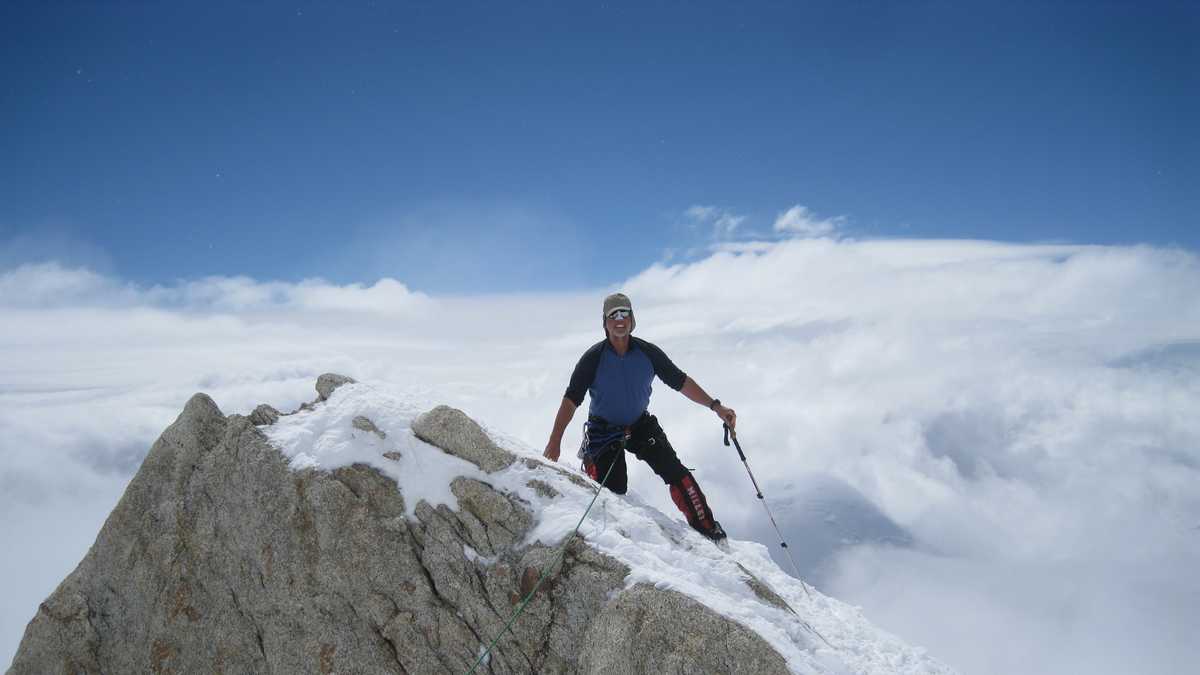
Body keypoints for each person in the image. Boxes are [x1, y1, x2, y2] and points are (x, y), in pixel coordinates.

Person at [543, 292, 736, 541]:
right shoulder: (593, 358)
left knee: (675, 472)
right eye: (613, 315)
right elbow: (571, 400)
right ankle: (593, 459)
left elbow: (681, 382)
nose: (620, 319)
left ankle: (708, 528)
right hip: (604, 430)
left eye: (625, 313)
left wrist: (716, 406)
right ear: (605, 323)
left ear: (633, 320)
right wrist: (554, 441)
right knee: (614, 490)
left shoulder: (648, 353)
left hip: (639, 424)